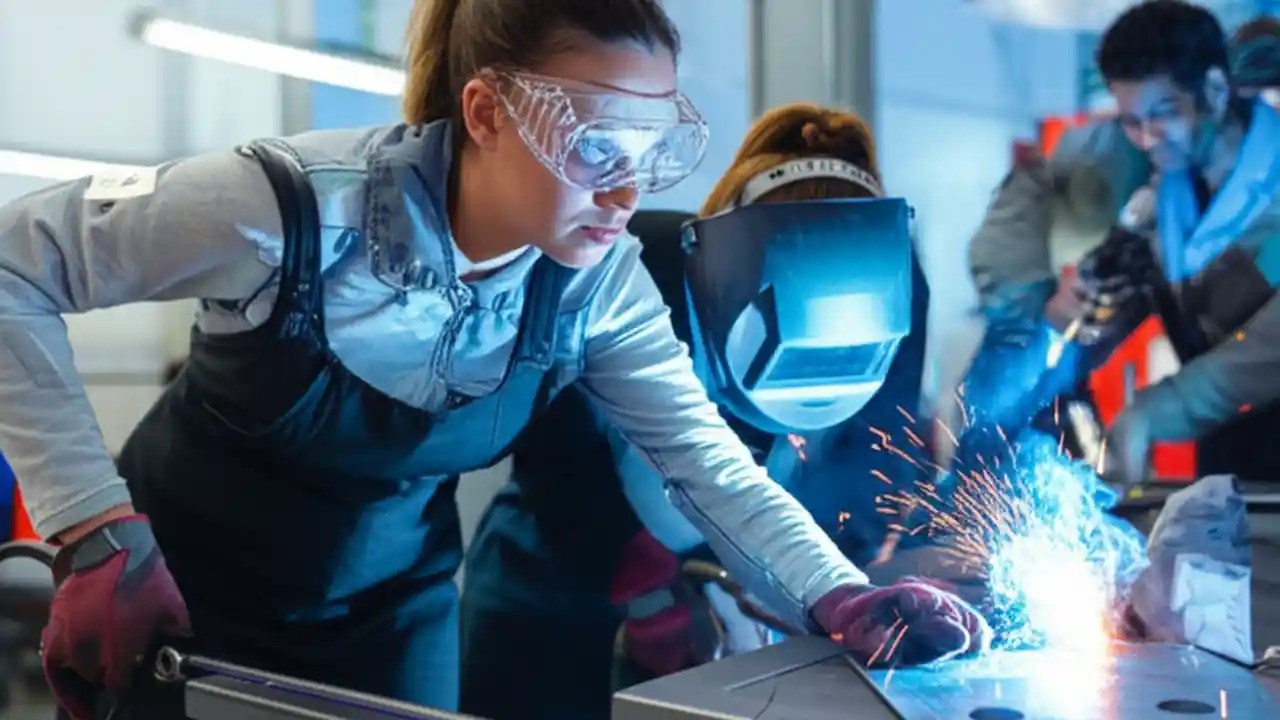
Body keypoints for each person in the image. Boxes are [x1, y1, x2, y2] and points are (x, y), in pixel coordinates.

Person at [0, 1, 987, 717]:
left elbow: (704, 466)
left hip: (395, 614)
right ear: (484, 113)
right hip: (177, 592)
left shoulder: (595, 283)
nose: (624, 193)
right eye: (598, 147)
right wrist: (94, 530)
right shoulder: (290, 207)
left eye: (649, 153)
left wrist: (839, 593)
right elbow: (12, 264)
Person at [457, 103, 936, 720]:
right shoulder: (632, 273)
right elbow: (560, 460)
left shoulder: (898, 289)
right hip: (557, 592)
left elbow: (878, 458)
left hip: (751, 599)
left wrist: (859, 591)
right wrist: (646, 590)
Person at [1088, 0, 1280, 488]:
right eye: (1131, 120)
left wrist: (1156, 410)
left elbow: (1269, 346)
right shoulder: (1165, 197)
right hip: (1228, 467)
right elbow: (1107, 310)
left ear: (1214, 90)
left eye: (1163, 113)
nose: (1147, 138)